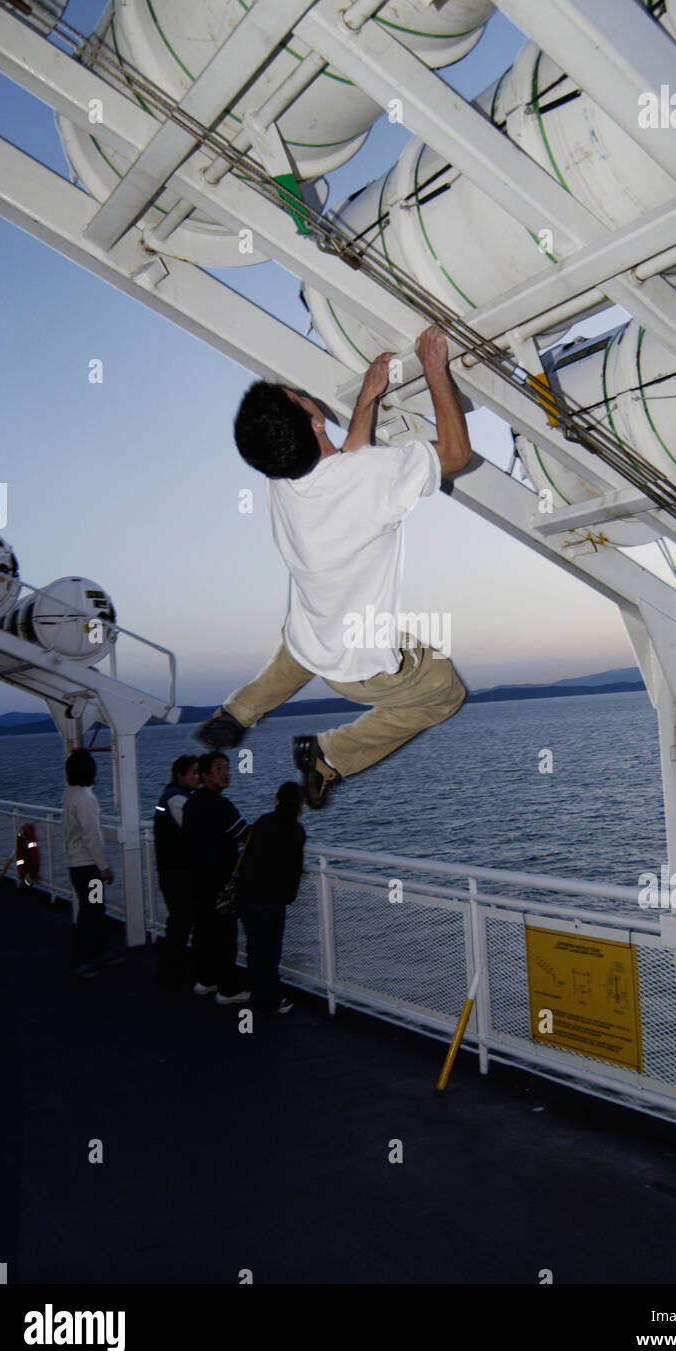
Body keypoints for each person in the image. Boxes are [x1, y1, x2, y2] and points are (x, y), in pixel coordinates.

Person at [194, 325, 471, 808]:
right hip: (362, 667)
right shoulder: (366, 478)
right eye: (296, 396)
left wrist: (367, 401)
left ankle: (237, 713)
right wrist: (433, 368)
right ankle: (328, 754)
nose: (299, 392)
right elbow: (455, 455)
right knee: (445, 694)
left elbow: (342, 467)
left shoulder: (278, 478)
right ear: (317, 421)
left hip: (309, 634)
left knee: (300, 655)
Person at [182, 750, 250, 1005]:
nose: (226, 773)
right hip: (218, 881)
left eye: (228, 768)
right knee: (224, 934)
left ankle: (205, 980)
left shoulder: (192, 803)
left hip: (196, 878)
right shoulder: (219, 805)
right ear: (205, 775)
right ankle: (228, 990)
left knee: (203, 931)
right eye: (220, 769)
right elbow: (246, 835)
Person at [236, 781, 306, 1016]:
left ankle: (258, 994)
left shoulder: (262, 822)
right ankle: (270, 1000)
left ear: (277, 800)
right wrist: (289, 895)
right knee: (270, 951)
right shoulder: (295, 831)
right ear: (300, 805)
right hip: (271, 898)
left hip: (247, 894)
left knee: (255, 947)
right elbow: (294, 869)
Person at [62, 747, 116, 978]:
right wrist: (103, 867)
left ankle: (98, 953)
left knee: (93, 909)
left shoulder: (70, 794)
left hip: (78, 866)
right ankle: (81, 961)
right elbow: (91, 836)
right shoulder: (84, 799)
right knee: (91, 912)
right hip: (88, 869)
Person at [154, 753, 200, 990]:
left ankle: (171, 967)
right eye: (193, 773)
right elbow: (195, 832)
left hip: (170, 869)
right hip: (177, 872)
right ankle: (172, 970)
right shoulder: (177, 800)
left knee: (179, 920)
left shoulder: (168, 796)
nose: (197, 778)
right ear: (179, 775)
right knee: (182, 920)